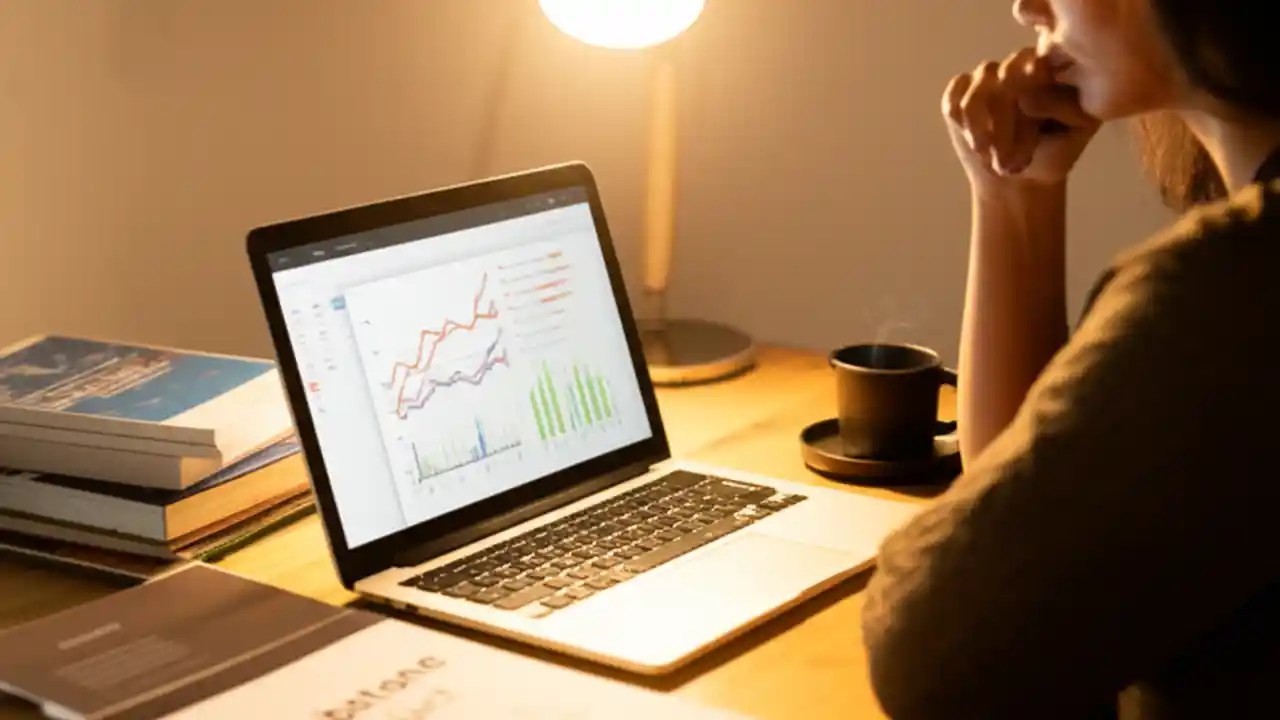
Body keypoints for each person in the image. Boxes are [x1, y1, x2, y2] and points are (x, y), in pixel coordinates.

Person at [860, 1, 1280, 718]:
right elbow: (1018, 507)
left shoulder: (1236, 288)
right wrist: (1014, 193)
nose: (1026, 5)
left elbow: (938, 652)